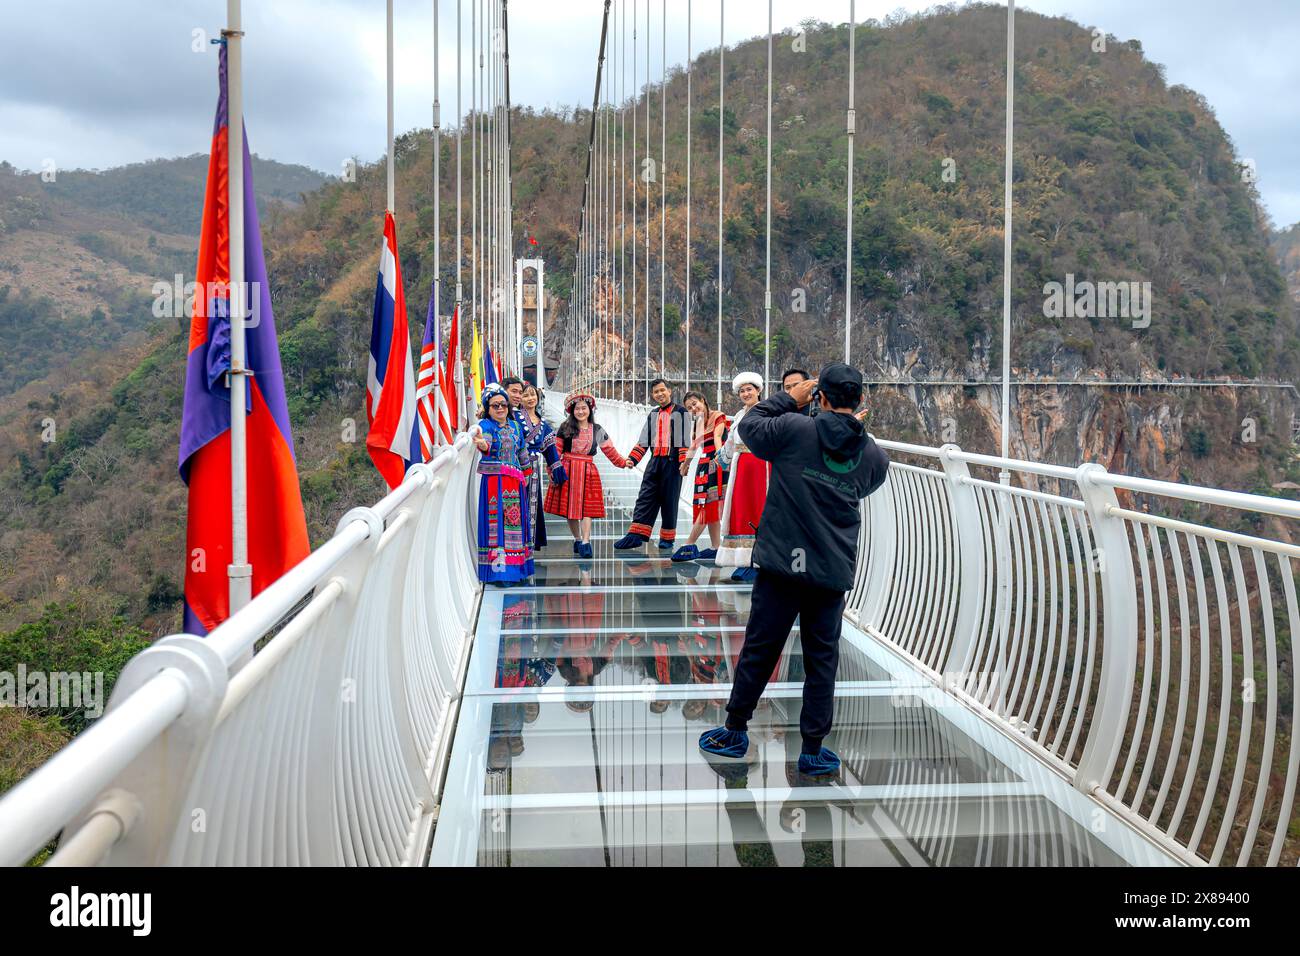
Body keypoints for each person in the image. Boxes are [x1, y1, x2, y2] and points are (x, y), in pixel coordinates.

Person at [699, 363, 889, 776]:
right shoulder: (873, 453)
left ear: (819, 397)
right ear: (859, 401)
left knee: (761, 648)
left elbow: (750, 426)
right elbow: (867, 484)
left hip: (784, 564)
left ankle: (735, 730)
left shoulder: (794, 430)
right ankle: (813, 749)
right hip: (830, 571)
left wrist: (790, 397)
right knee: (823, 659)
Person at [544, 392, 628, 558]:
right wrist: (552, 470)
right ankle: (577, 539)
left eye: (584, 408)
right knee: (571, 509)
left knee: (586, 508)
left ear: (590, 410)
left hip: (588, 470)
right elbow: (557, 451)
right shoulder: (565, 427)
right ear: (572, 411)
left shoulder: (597, 430)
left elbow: (609, 449)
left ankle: (586, 541)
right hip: (568, 469)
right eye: (577, 409)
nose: (581, 411)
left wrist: (623, 463)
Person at [613, 378, 693, 551]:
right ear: (653, 395)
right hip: (654, 461)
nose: (660, 394)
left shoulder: (681, 412)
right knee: (645, 496)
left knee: (669, 500)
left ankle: (667, 538)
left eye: (662, 390)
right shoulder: (653, 414)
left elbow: (684, 440)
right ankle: (636, 535)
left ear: (669, 391)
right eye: (656, 392)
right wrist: (632, 459)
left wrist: (683, 463)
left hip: (673, 462)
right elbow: (644, 440)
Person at [473, 383, 535, 586]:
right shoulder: (486, 426)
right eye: (495, 405)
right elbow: (485, 442)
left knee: (515, 524)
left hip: (515, 484)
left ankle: (517, 569)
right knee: (497, 526)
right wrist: (483, 445)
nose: (500, 409)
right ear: (488, 408)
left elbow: (522, 451)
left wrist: (527, 474)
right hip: (494, 484)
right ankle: (500, 573)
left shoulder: (515, 426)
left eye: (503, 405)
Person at [716, 372, 768, 582]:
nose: (746, 393)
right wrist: (720, 460)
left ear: (758, 391)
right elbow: (730, 441)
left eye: (750, 389)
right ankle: (743, 560)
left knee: (758, 508)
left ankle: (758, 562)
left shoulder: (766, 412)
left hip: (758, 466)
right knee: (741, 510)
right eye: (742, 391)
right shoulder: (738, 415)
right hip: (740, 468)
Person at [671, 390, 729, 562]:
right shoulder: (698, 424)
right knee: (705, 503)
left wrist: (720, 460)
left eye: (695, 404)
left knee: (707, 504)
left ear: (703, 400)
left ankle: (689, 543)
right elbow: (694, 447)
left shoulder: (719, 416)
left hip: (716, 463)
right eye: (689, 408)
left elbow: (718, 438)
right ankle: (716, 547)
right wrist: (685, 465)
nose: (693, 409)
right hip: (703, 466)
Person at [518, 383, 567, 550]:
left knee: (531, 503)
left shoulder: (544, 425)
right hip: (516, 465)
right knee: (516, 502)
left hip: (533, 470)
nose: (530, 398)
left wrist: (557, 470)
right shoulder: (514, 418)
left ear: (538, 398)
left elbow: (550, 450)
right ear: (520, 399)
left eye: (533, 395)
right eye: (526, 395)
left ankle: (529, 542)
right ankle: (515, 541)